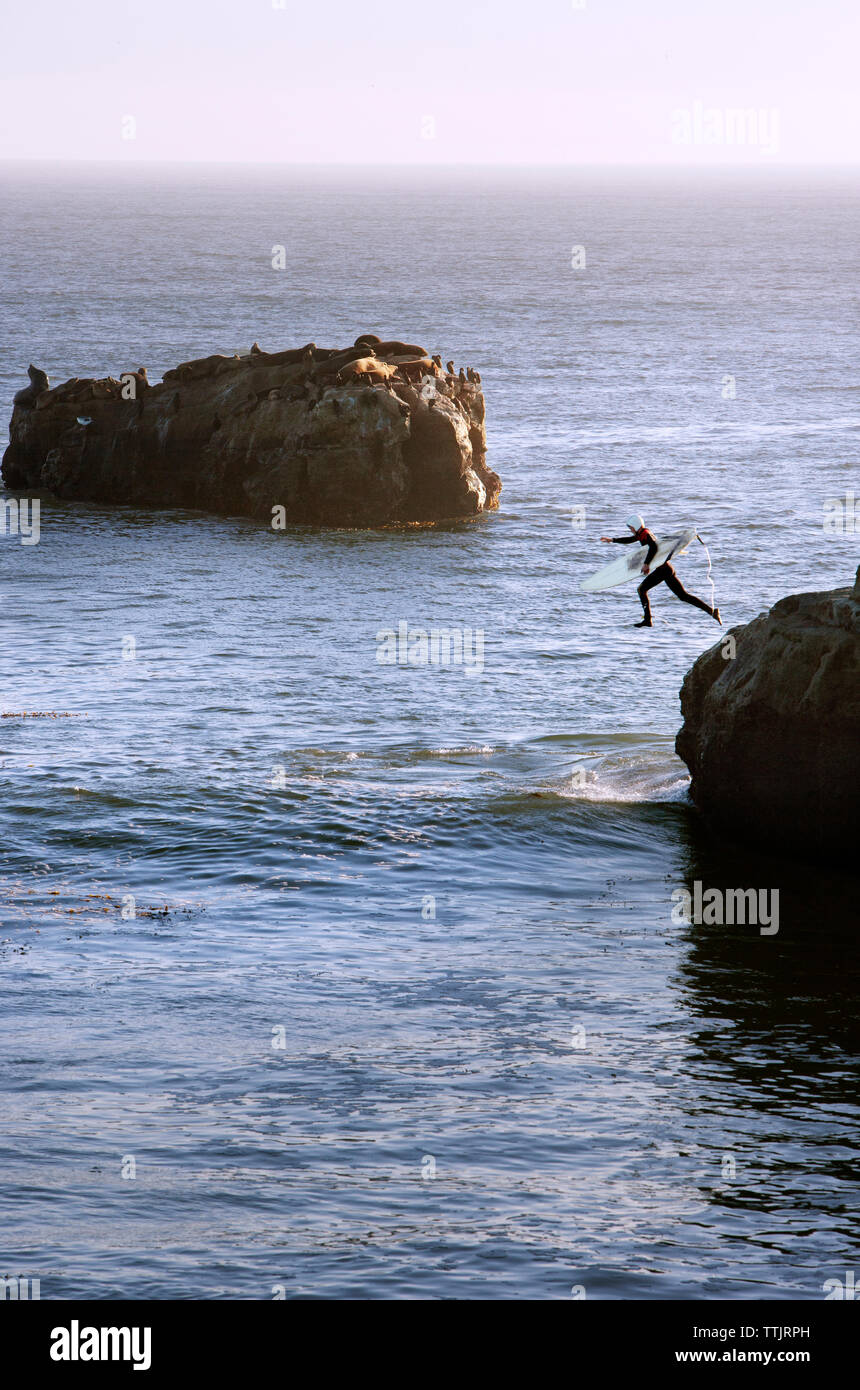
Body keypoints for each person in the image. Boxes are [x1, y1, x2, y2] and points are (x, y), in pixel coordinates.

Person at [600, 514, 721, 628]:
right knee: (683, 596)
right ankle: (712, 612)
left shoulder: (645, 534)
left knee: (642, 590)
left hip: (663, 570)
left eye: (631, 527)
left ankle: (648, 620)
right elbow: (630, 539)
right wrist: (612, 540)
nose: (630, 530)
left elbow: (653, 548)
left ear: (636, 526)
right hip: (666, 569)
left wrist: (646, 564)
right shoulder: (642, 533)